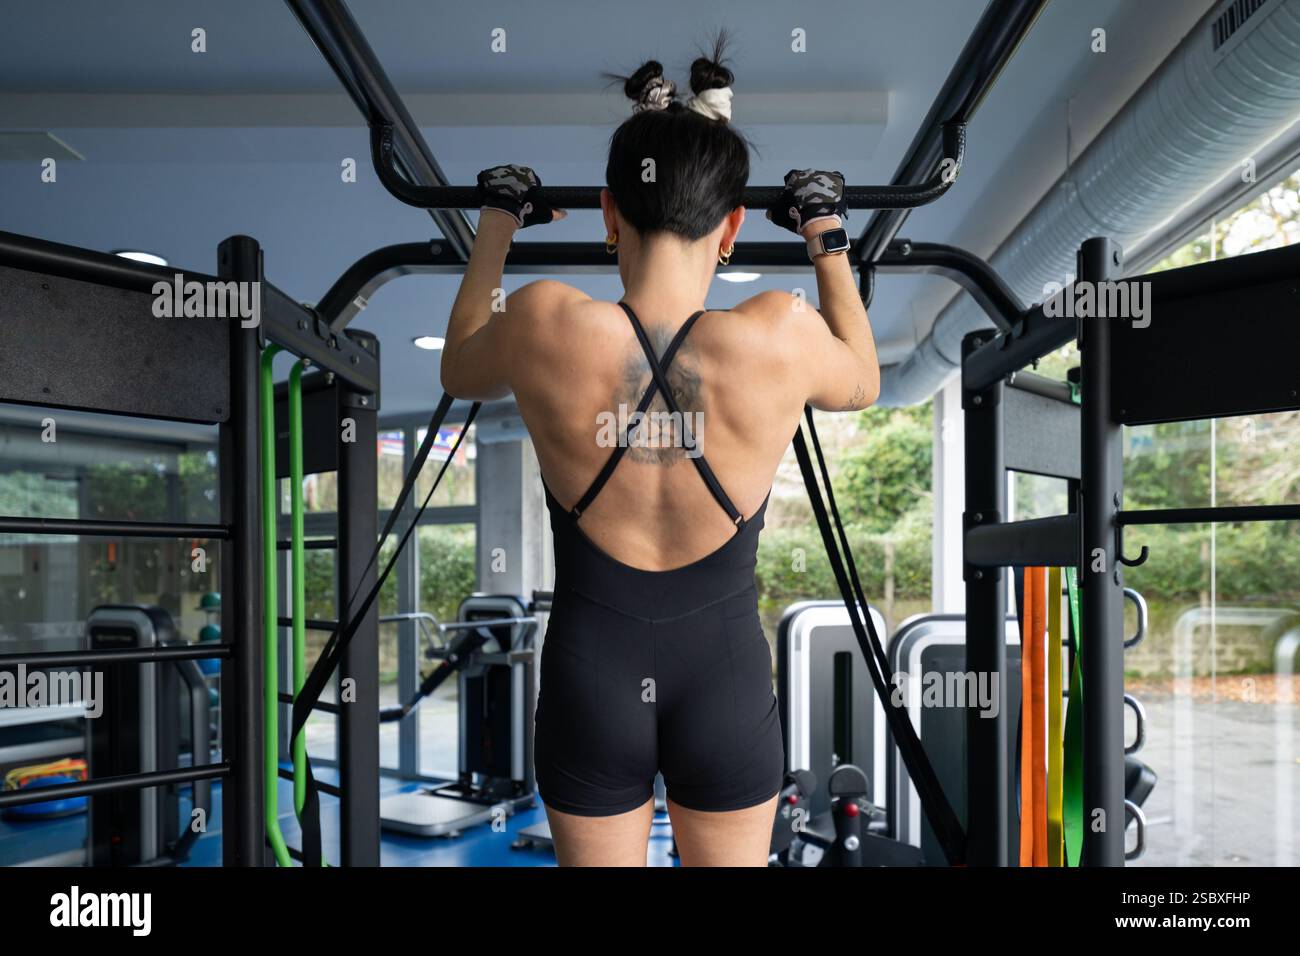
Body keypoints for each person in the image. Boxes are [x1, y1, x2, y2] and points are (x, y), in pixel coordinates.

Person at [439, 36, 880, 866]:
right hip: (725, 680)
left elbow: (458, 363)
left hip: (587, 675)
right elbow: (864, 377)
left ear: (610, 213)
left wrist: (500, 214)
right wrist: (824, 226)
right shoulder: (780, 336)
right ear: (732, 227)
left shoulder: (544, 323)